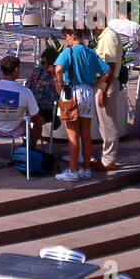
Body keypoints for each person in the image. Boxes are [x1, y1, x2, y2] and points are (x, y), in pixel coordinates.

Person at [52, 27, 114, 180]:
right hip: (87, 92)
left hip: (71, 92)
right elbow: (107, 71)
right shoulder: (90, 52)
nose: (66, 39)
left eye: (66, 36)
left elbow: (58, 69)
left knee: (72, 135)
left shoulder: (69, 52)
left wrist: (60, 85)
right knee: (86, 134)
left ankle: (73, 171)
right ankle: (86, 169)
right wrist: (96, 85)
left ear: (73, 36)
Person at [0, 56, 40, 168]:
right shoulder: (25, 91)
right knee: (38, 120)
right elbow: (35, 114)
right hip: (16, 129)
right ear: (16, 70)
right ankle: (25, 153)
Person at [91, 13, 125, 171]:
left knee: (108, 124)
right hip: (104, 83)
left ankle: (109, 160)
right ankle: (106, 157)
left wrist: (103, 90)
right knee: (104, 123)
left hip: (107, 84)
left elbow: (110, 66)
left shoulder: (108, 37)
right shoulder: (106, 36)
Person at [26, 46, 59, 149]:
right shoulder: (37, 72)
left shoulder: (58, 76)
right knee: (23, 118)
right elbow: (27, 87)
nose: (45, 66)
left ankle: (29, 148)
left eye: (48, 63)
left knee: (38, 120)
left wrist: (54, 76)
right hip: (33, 104)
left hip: (48, 108)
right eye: (43, 63)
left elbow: (60, 94)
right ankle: (26, 145)